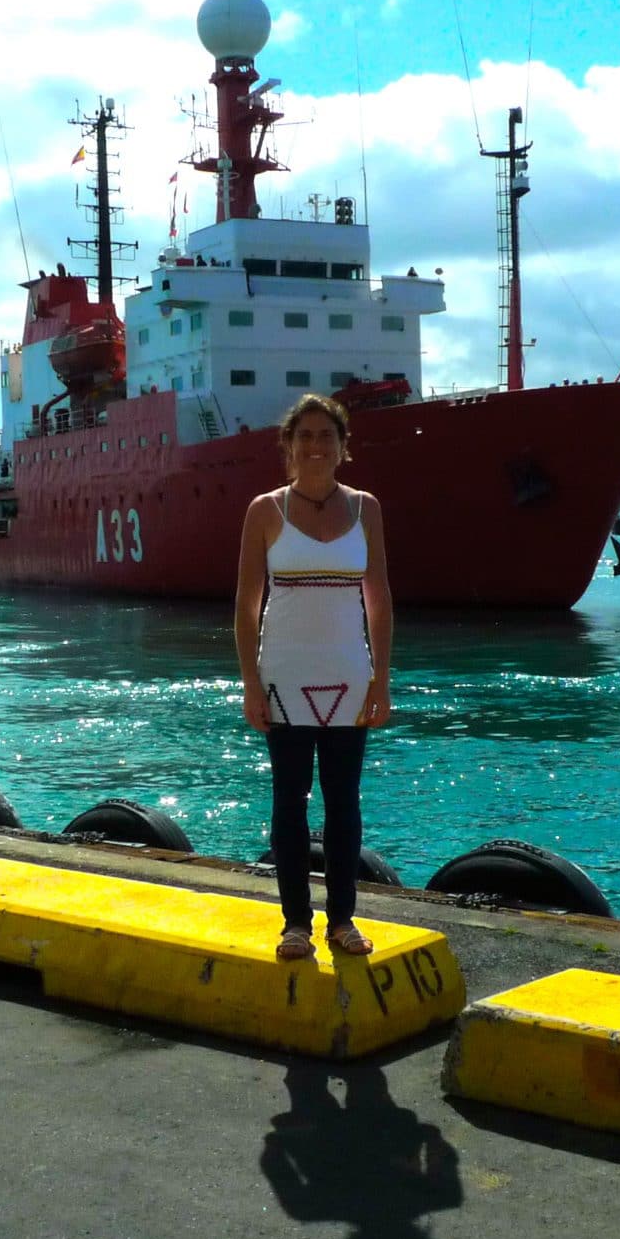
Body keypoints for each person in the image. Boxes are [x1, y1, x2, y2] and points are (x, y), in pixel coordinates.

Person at [235, 394, 393, 962]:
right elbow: (247, 605)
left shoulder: (365, 508)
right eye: (305, 435)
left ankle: (343, 921)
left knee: (344, 803)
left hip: (350, 675)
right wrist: (251, 682)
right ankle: (295, 925)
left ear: (343, 447)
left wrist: (382, 678)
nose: (316, 446)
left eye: (327, 435)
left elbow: (378, 600)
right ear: (288, 446)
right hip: (283, 675)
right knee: (289, 802)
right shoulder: (264, 511)